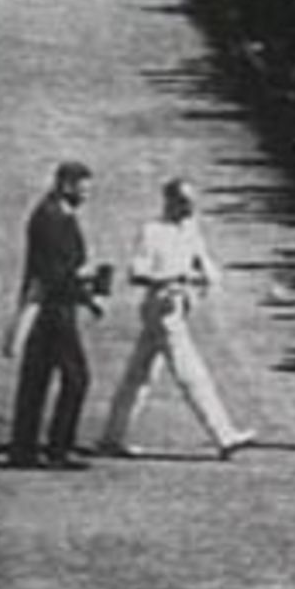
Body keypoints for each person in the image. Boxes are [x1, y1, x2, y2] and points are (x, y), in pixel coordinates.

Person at [98, 178, 256, 460]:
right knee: (191, 374)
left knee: (138, 377)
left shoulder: (191, 230)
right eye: (183, 202)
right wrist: (171, 278)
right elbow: (136, 273)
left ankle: (112, 437)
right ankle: (224, 436)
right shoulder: (152, 231)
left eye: (192, 202)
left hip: (179, 308)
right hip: (161, 308)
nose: (189, 208)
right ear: (169, 201)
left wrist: (204, 278)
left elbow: (205, 264)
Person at [5, 160, 100, 470]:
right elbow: (56, 273)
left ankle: (23, 448)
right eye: (82, 190)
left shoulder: (51, 213)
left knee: (36, 378)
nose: (85, 197)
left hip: (46, 305)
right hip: (54, 309)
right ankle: (59, 447)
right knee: (76, 377)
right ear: (65, 185)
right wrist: (86, 291)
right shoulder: (52, 219)